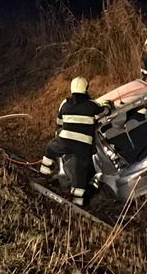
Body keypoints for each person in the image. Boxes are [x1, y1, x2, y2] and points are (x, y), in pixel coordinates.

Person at [40, 77, 114, 206]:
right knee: (80, 174)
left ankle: (43, 176)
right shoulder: (92, 104)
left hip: (65, 140)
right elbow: (105, 111)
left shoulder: (65, 104)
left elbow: (59, 123)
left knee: (50, 150)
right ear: (86, 89)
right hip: (83, 145)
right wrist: (107, 104)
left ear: (72, 88)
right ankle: (77, 202)